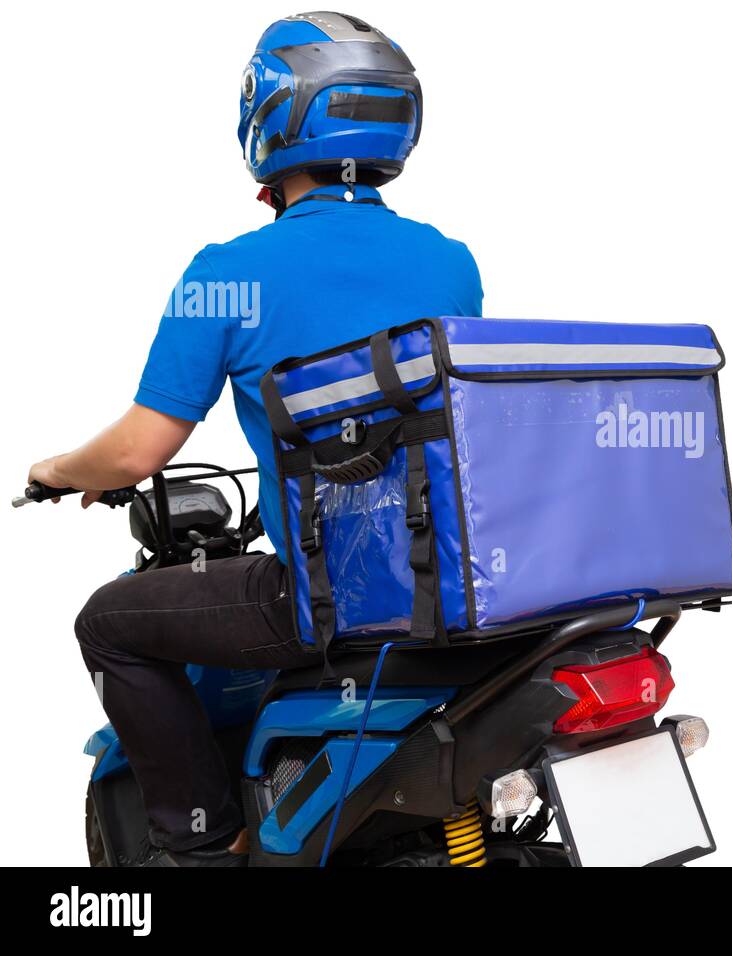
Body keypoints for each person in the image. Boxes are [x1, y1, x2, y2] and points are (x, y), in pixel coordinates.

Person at [26, 11, 482, 866]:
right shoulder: (450, 260)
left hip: (325, 597)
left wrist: (54, 470)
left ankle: (203, 844)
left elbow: (134, 455)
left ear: (269, 120)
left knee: (109, 624)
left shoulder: (226, 273)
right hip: (444, 582)